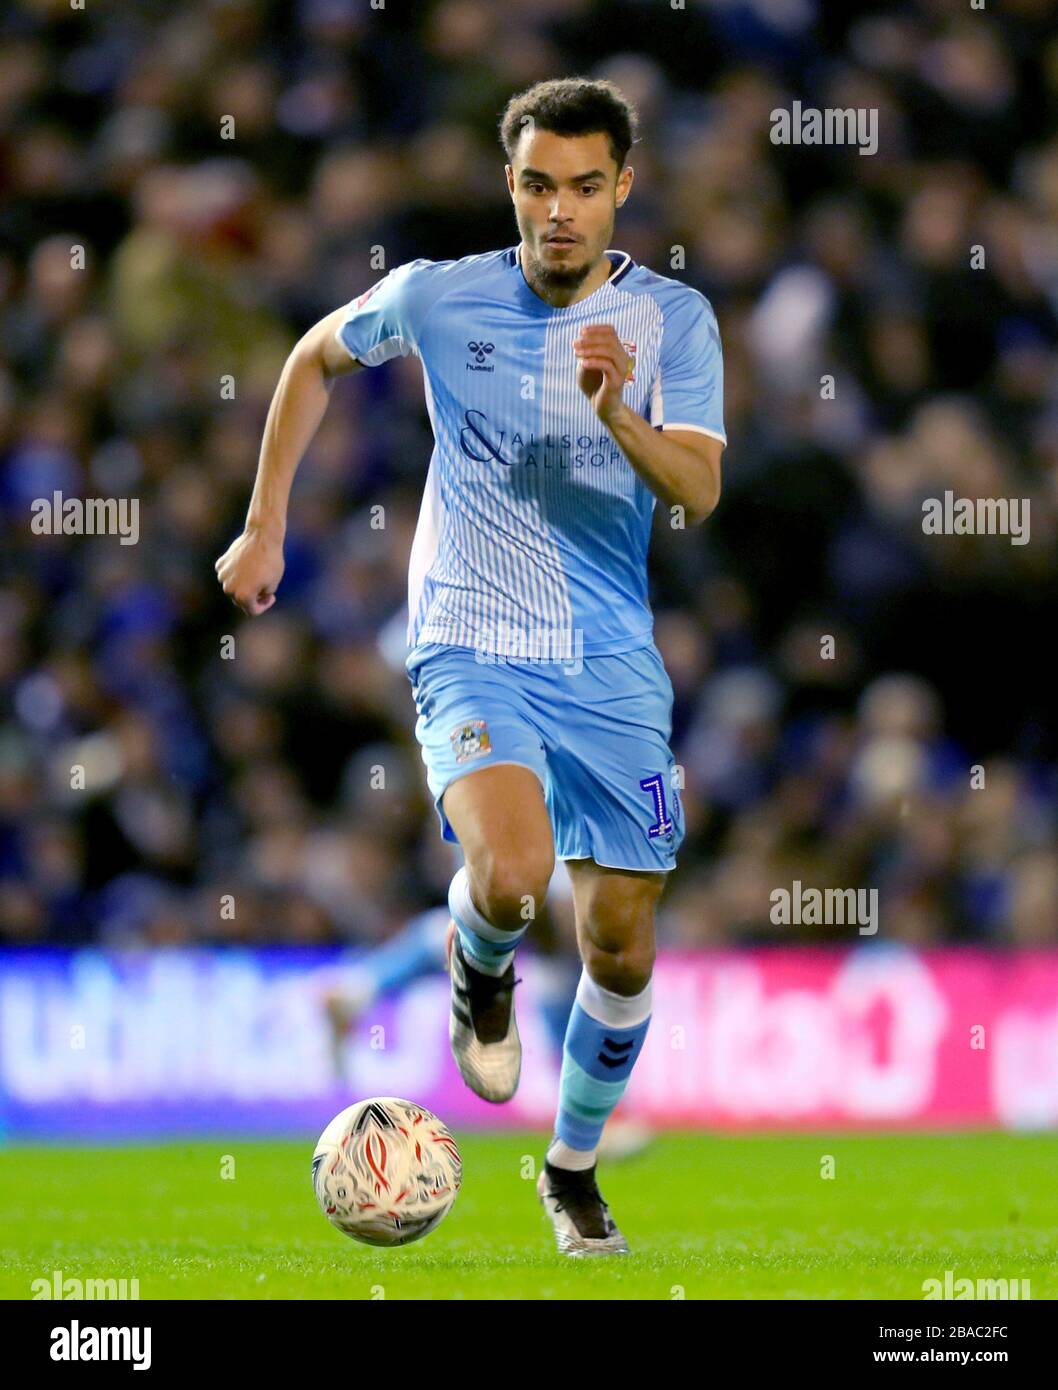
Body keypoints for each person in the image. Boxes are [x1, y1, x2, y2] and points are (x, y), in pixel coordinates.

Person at [215, 77, 725, 1254]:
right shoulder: (438, 297)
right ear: (511, 185)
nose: (560, 210)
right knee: (509, 876)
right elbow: (309, 357)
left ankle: (573, 1166)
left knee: (620, 941)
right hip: (468, 641)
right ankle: (478, 970)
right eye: (539, 184)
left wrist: (617, 414)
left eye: (585, 187)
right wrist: (264, 524)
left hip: (609, 664)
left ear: (622, 191)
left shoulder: (676, 323)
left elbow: (695, 487)